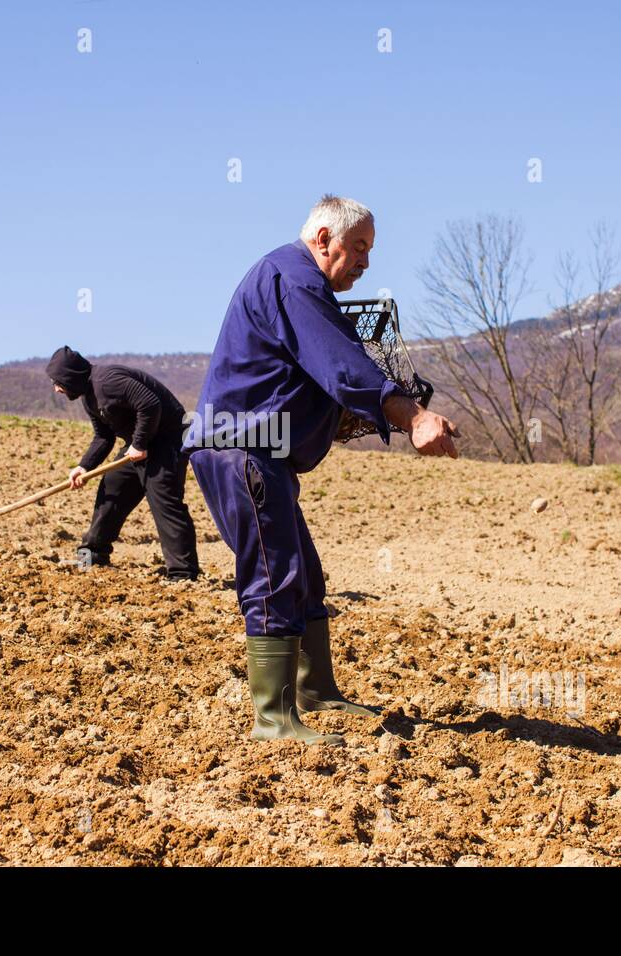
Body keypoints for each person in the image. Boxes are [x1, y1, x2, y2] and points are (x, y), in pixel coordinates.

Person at [184, 195, 461, 746]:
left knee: (304, 573)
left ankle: (315, 690)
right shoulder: (294, 280)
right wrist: (411, 415)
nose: (364, 262)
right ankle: (273, 717)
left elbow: (315, 372)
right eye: (357, 247)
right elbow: (341, 363)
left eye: (369, 251)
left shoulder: (294, 280)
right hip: (241, 450)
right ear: (322, 239)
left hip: (264, 454)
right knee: (273, 572)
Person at [46, 346, 200, 581]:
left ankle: (183, 575)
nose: (57, 388)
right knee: (111, 492)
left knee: (164, 502)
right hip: (138, 446)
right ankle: (92, 556)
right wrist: (84, 466)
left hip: (167, 440)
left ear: (70, 376)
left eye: (58, 382)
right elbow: (103, 436)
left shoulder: (108, 381)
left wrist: (139, 443)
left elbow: (150, 404)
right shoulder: (89, 396)